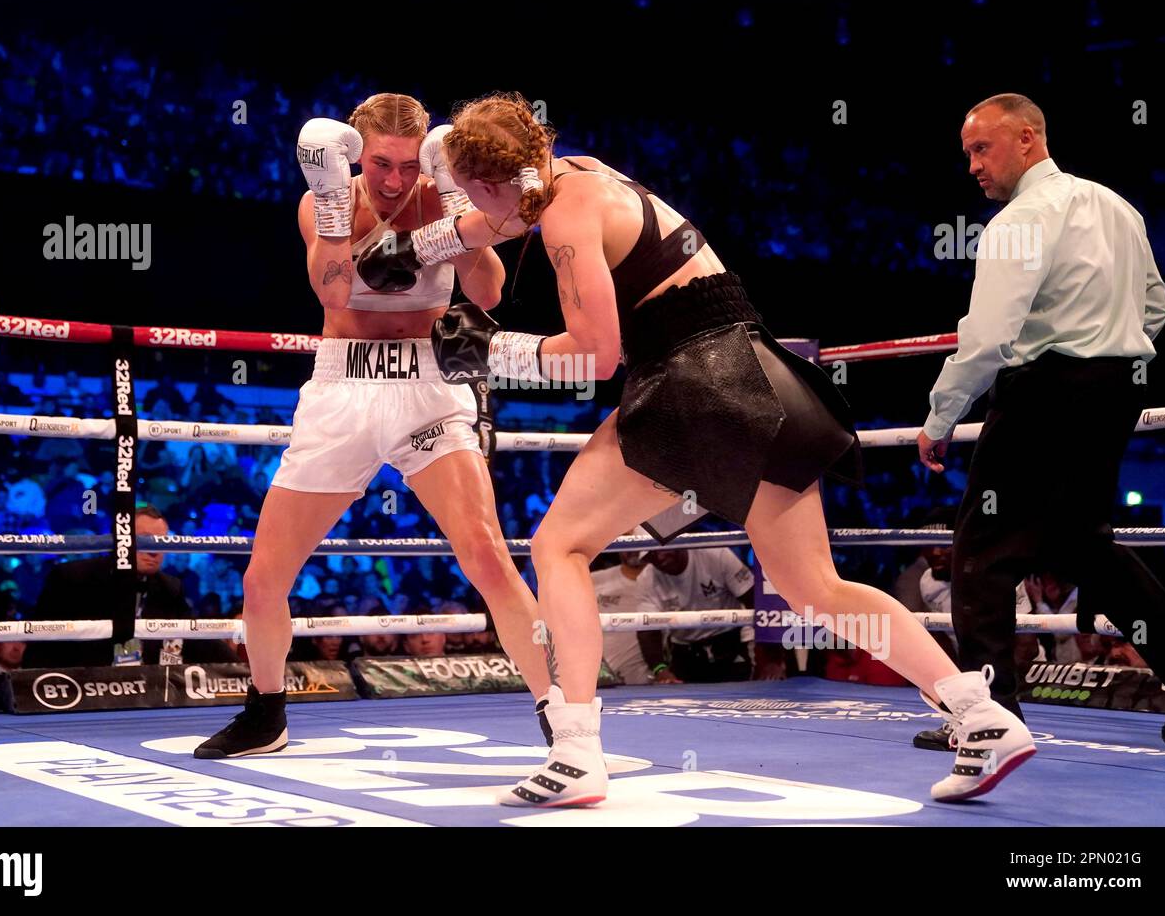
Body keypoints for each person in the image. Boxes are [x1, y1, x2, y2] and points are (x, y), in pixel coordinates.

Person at [359, 91, 1035, 805]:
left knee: (559, 545)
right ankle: (979, 712)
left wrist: (494, 349)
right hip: (758, 375)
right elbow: (494, 220)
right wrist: (416, 247)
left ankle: (576, 751)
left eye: (471, 191)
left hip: (695, 382)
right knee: (815, 587)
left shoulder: (563, 215)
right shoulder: (574, 174)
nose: (475, 206)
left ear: (493, 178)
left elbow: (595, 355)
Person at [196, 95, 554, 760]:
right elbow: (333, 292)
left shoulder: (441, 194)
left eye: (408, 164)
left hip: (426, 383)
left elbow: (488, 294)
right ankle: (265, 713)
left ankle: (560, 715)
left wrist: (451, 206)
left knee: (487, 555)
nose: (394, 180)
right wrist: (336, 208)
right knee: (263, 576)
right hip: (342, 384)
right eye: (380, 164)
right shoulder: (324, 199)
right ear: (356, 154)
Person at [916, 93, 1165, 746]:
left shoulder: (1020, 220)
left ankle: (992, 715)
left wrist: (940, 415)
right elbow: (1154, 305)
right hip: (1115, 388)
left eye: (982, 148)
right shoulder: (1117, 207)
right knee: (1087, 549)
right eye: (967, 154)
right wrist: (1110, 350)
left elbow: (986, 337)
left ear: (1028, 138)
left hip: (1047, 390)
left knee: (981, 551)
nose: (973, 167)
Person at [24, 505, 230, 668]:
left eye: (162, 542)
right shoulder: (73, 578)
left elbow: (198, 640)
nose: (155, 551)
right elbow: (42, 646)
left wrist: (244, 673)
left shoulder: (170, 587)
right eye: (146, 540)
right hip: (80, 692)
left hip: (147, 697)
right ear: (122, 540)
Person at [638, 547, 755, 684]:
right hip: (685, 652)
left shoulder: (717, 555)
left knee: (740, 699)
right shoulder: (647, 578)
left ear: (678, 543)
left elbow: (754, 600)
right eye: (651, 555)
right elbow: (646, 629)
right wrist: (660, 669)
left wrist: (770, 656)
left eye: (662, 550)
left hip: (731, 643)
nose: (659, 557)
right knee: (682, 702)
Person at [590, 547, 657, 685]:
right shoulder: (596, 580)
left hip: (646, 678)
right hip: (597, 676)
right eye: (627, 538)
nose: (633, 548)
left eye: (638, 540)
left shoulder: (662, 580)